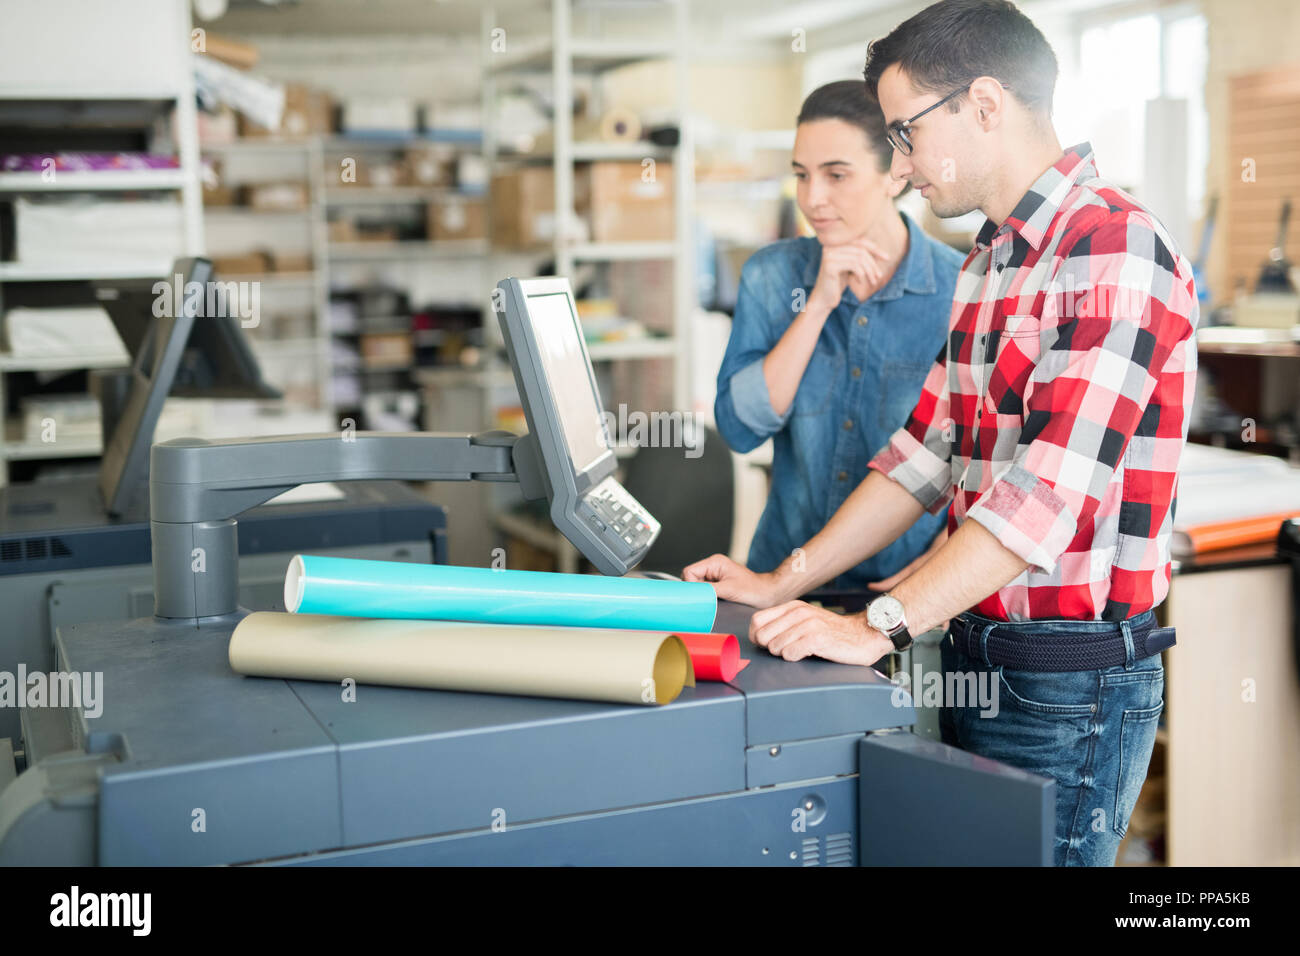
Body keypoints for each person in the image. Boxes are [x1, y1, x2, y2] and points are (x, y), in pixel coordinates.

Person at [685, 0, 1198, 868]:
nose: (903, 163)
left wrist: (876, 623)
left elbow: (1044, 499)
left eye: (906, 134)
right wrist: (781, 580)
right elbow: (920, 456)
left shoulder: (1114, 249)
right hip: (971, 646)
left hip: (1067, 681)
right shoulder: (991, 260)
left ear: (985, 105)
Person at [714, 79, 964, 593]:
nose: (812, 199)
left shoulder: (962, 290)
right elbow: (739, 430)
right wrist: (818, 305)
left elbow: (989, 458)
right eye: (802, 176)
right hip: (779, 584)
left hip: (903, 596)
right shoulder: (772, 277)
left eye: (836, 175)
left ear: (896, 172)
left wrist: (944, 559)